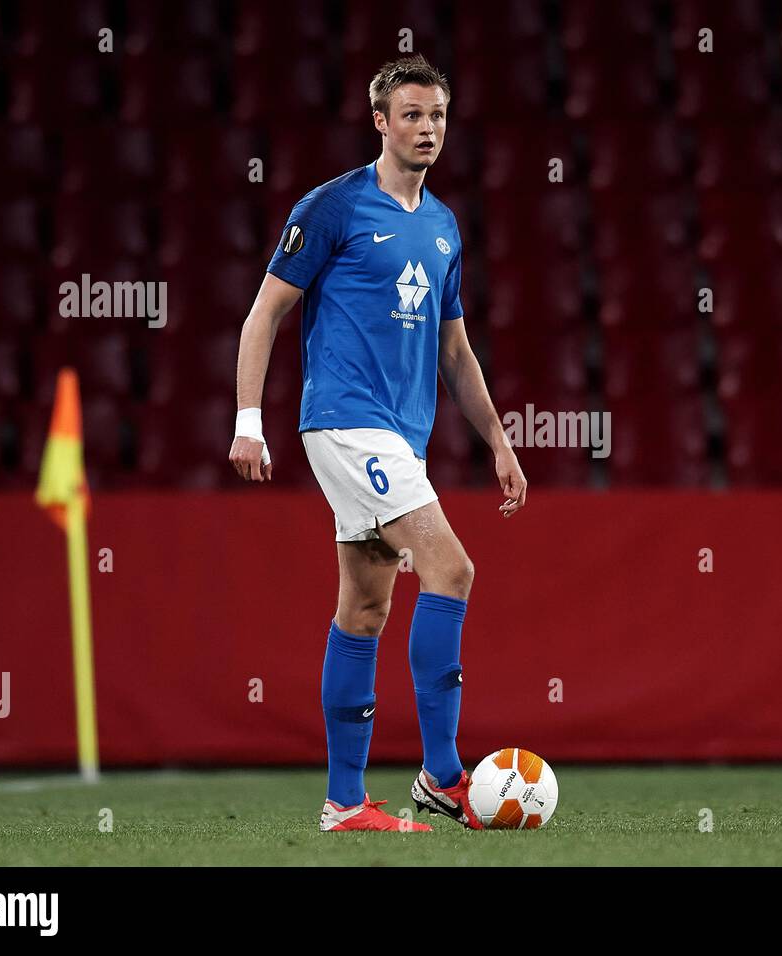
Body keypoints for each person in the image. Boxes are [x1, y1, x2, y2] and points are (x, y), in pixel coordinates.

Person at [228, 54, 527, 832]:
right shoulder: (331, 208)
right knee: (452, 567)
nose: (427, 129)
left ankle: (344, 801)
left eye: (436, 116)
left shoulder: (443, 226)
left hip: (401, 436)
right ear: (381, 122)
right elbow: (264, 314)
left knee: (364, 607)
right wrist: (248, 422)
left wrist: (498, 439)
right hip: (343, 418)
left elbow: (455, 352)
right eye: (412, 115)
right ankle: (443, 775)